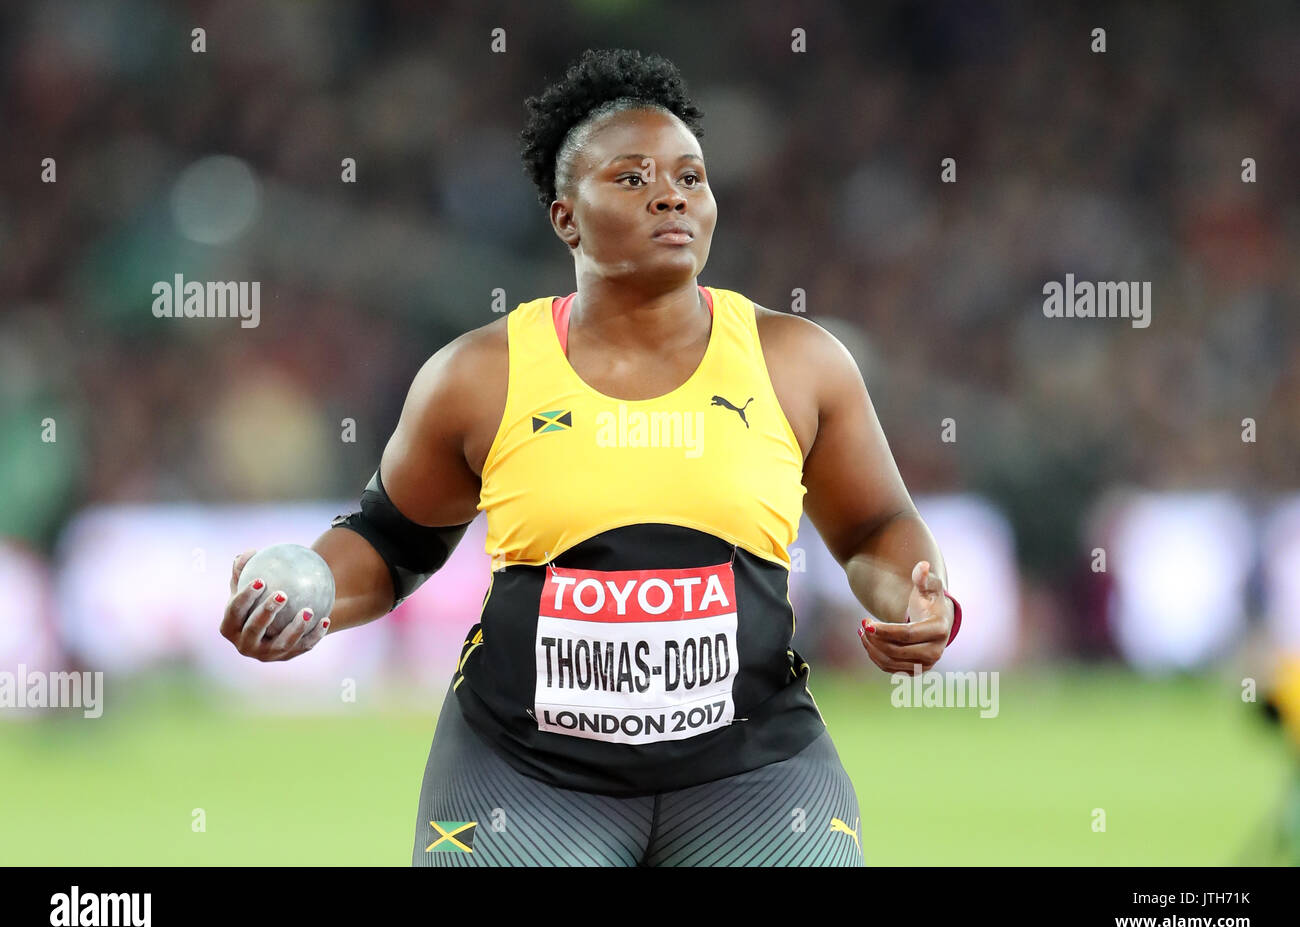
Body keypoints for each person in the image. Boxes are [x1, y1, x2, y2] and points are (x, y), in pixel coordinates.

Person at [219, 48, 961, 867]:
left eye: (690, 175)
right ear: (566, 217)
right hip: (524, 778)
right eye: (633, 179)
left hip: (753, 775)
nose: (671, 193)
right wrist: (312, 595)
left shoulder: (798, 363)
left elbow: (874, 527)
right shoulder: (480, 376)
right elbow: (391, 543)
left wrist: (913, 597)